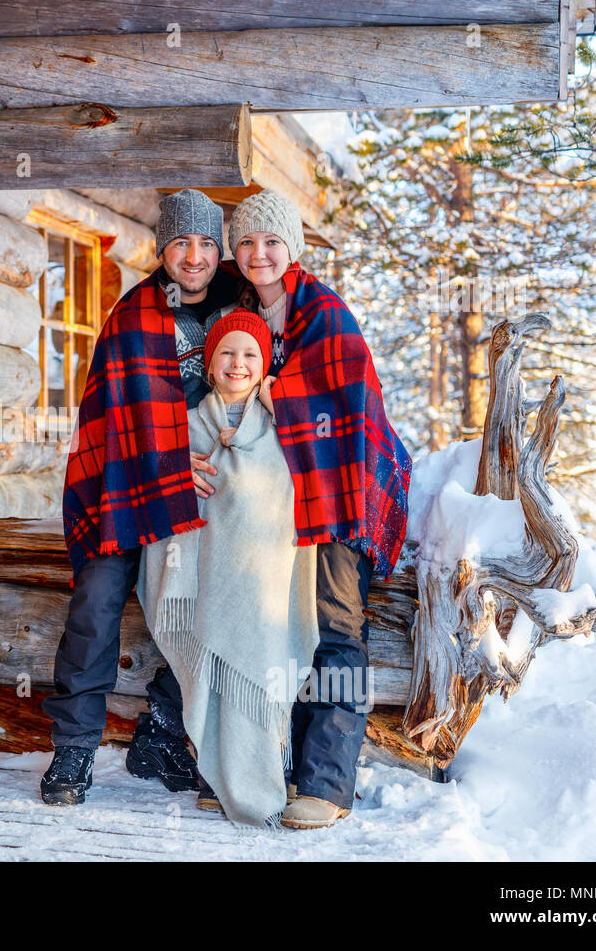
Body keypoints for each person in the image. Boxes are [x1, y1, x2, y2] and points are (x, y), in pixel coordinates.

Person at [193, 190, 413, 829]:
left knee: (333, 626)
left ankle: (326, 782)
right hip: (281, 500)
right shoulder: (245, 311)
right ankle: (250, 769)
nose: (257, 254)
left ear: (293, 246)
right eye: (246, 243)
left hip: (343, 487)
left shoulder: (324, 312)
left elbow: (339, 403)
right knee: (263, 625)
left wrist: (273, 389)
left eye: (270, 242)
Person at [40, 189, 242, 805]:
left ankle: (162, 727)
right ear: (163, 249)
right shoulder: (134, 314)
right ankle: (73, 750)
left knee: (218, 602)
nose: (196, 255)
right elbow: (118, 411)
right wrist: (171, 455)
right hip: (129, 480)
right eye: (182, 242)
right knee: (97, 603)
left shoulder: (240, 303)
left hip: (212, 488)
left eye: (207, 242)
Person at [138, 314, 320, 826]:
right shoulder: (187, 425)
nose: (237, 364)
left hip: (263, 582)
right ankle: (213, 777)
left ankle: (260, 775)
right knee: (210, 676)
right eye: (226, 354)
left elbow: (295, 493)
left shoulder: (283, 426)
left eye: (250, 356)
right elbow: (161, 498)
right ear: (209, 363)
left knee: (259, 672)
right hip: (202, 579)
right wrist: (173, 471)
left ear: (264, 368)